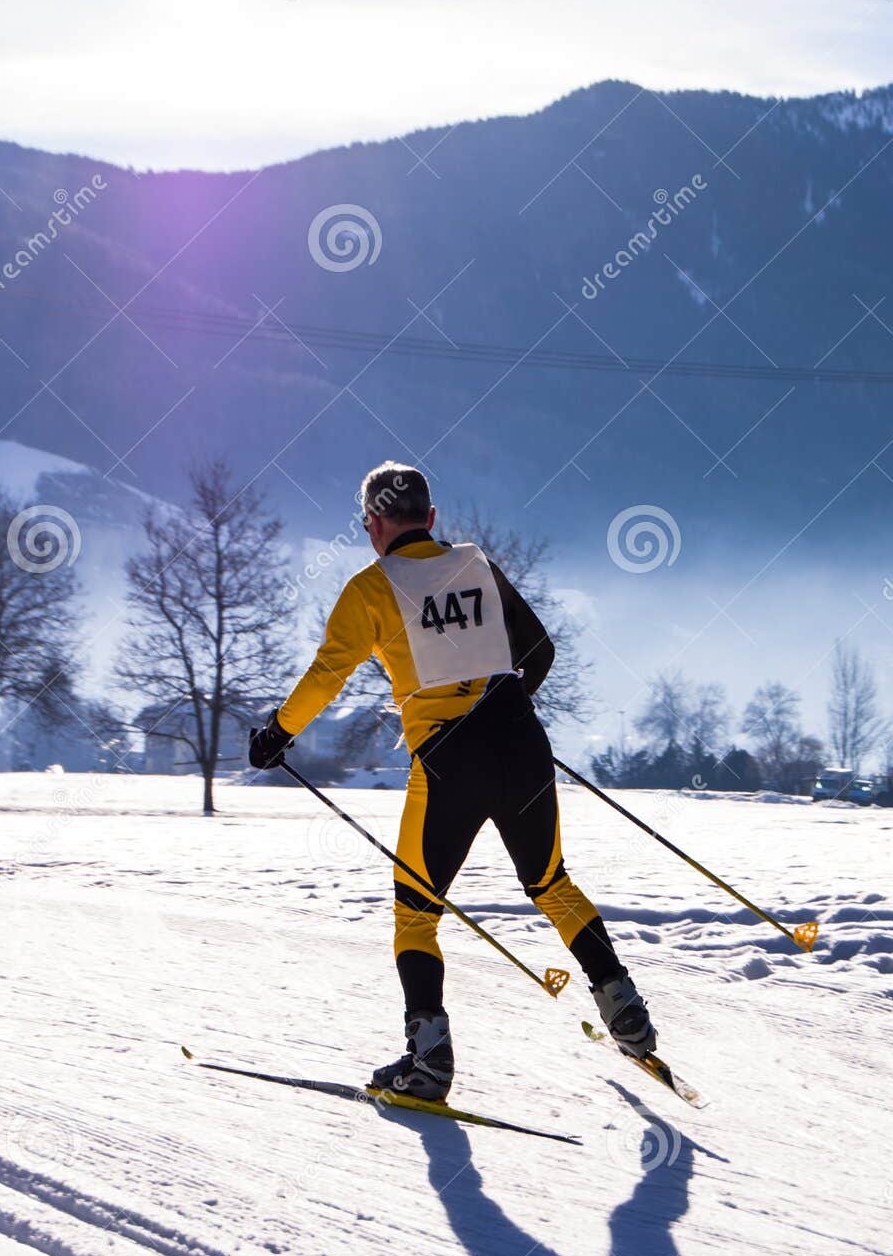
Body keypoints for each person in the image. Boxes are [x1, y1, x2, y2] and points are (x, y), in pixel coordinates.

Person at [250, 463, 656, 1101]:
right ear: (431, 518)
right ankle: (623, 1006)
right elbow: (540, 650)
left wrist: (277, 731)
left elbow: (330, 671)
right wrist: (502, 708)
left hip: (448, 761)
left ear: (373, 526)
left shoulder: (370, 588)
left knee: (415, 913)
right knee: (550, 882)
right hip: (522, 742)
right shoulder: (477, 565)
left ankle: (429, 1061)